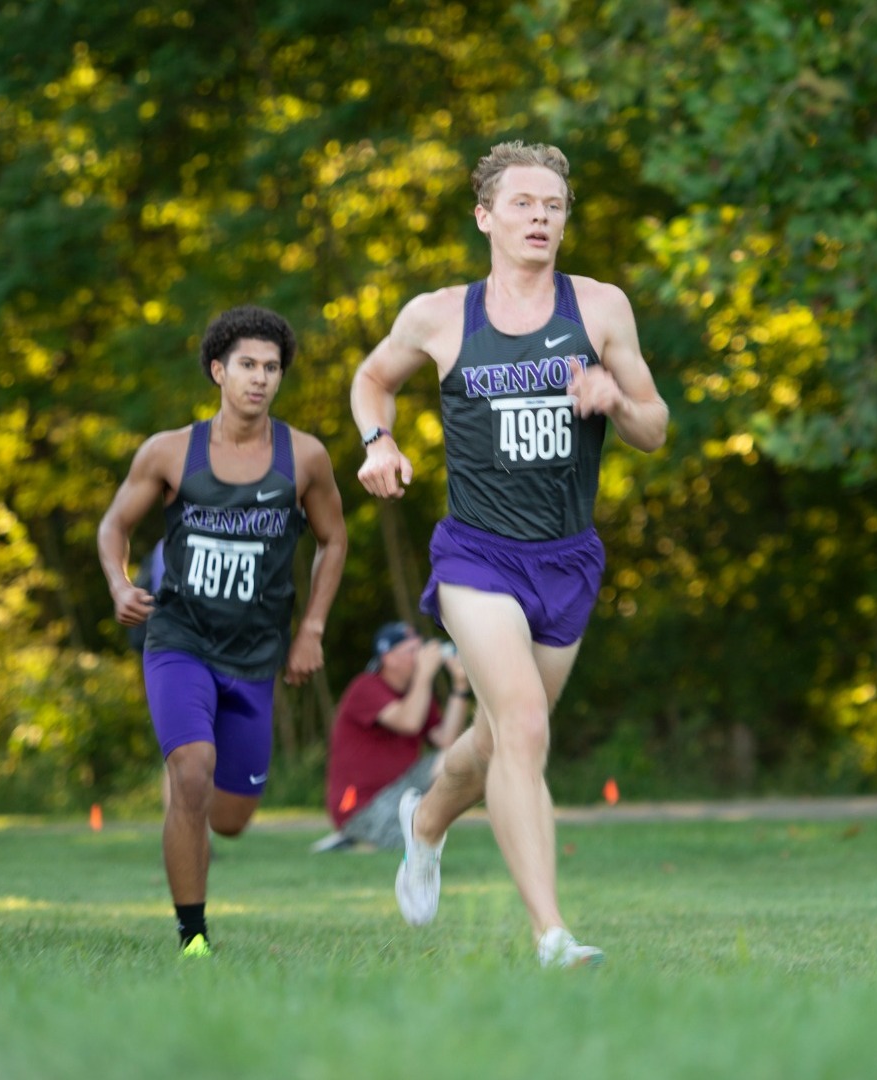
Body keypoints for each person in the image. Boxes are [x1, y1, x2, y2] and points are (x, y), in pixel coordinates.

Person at [351, 141, 669, 967]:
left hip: (566, 560)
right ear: (486, 216)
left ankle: (424, 822)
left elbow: (654, 428)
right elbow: (372, 378)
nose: (541, 217)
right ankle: (552, 936)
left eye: (554, 205)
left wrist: (613, 399)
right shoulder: (441, 314)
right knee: (523, 725)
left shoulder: (599, 308)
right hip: (477, 554)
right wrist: (378, 442)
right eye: (523, 203)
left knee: (498, 744)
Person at [98, 305, 347, 957]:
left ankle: (187, 791)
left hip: (257, 656)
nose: (260, 379)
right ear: (218, 370)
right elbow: (113, 527)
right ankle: (193, 937)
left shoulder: (306, 459)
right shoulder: (171, 452)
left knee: (229, 819)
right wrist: (120, 584)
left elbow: (333, 539)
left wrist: (312, 628)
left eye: (271, 368)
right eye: (247, 366)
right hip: (179, 639)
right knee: (192, 770)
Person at [315, 621, 469, 853]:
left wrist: (460, 686)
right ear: (388, 658)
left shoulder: (416, 693)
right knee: (415, 843)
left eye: (421, 648)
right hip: (362, 805)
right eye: (411, 651)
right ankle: (354, 838)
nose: (420, 657)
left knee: (460, 757)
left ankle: (353, 842)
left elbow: (446, 740)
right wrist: (424, 676)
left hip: (401, 794)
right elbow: (408, 722)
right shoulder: (366, 687)